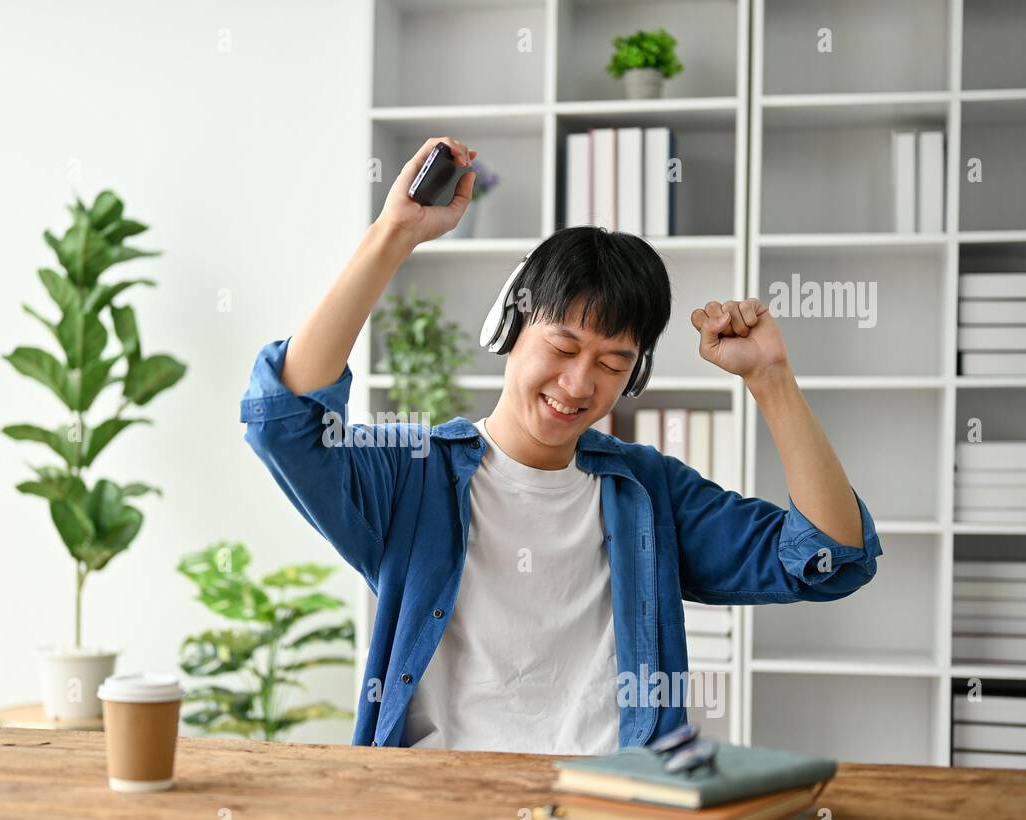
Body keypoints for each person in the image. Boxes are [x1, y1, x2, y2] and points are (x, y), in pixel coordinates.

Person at [238, 136, 883, 755]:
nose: (578, 384)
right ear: (509, 328)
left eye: (613, 361)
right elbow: (284, 423)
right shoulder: (415, 477)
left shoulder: (648, 491)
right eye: (563, 347)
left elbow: (830, 558)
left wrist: (771, 379)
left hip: (612, 809)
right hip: (443, 806)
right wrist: (394, 235)